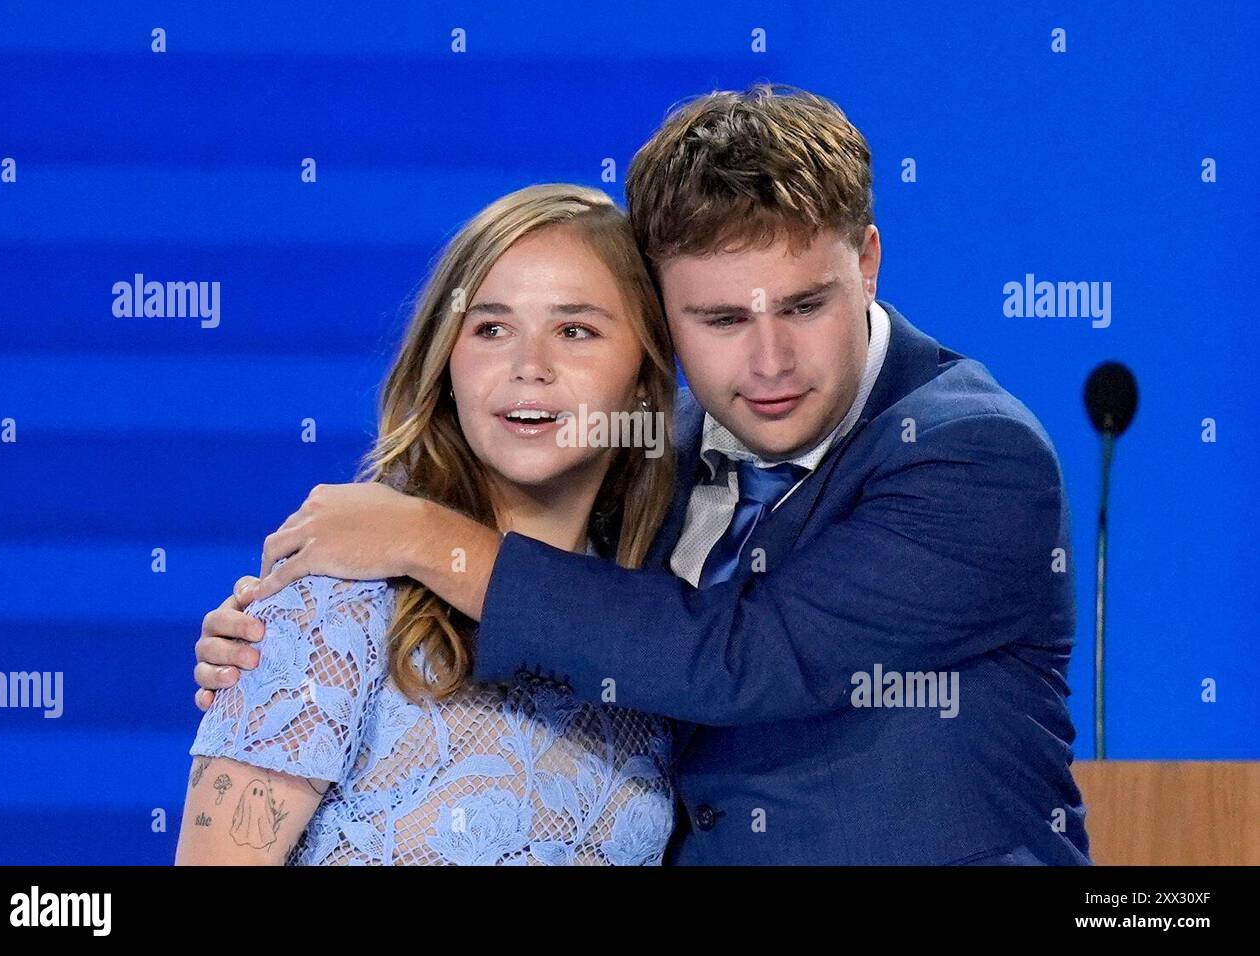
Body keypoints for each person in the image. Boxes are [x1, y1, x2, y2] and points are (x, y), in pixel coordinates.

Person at [194, 85, 1091, 865]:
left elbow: (740, 659)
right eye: (721, 319)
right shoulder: (656, 464)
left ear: (866, 264)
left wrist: (429, 539)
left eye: (806, 306)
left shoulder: (974, 455)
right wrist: (278, 643)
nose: (770, 361)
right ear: (665, 324)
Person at [176, 184, 679, 865]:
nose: (530, 367)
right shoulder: (337, 595)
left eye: (576, 330)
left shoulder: (655, 636)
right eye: (491, 328)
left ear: (645, 380)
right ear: (447, 365)